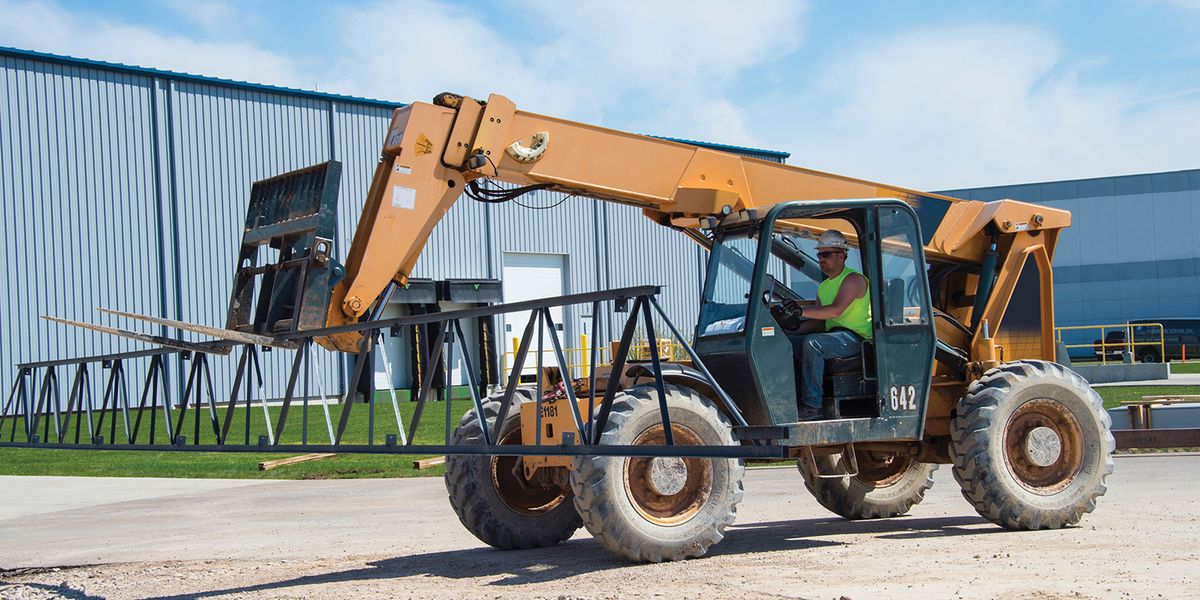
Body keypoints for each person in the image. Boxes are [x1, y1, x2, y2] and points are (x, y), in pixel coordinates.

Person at [774, 230, 872, 421]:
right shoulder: (824, 286)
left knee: (813, 344)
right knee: (783, 344)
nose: (821, 259)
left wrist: (800, 311)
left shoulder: (853, 280)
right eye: (819, 255)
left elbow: (835, 311)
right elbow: (817, 324)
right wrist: (787, 330)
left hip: (856, 339)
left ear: (841, 255)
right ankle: (785, 403)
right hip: (833, 337)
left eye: (826, 255)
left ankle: (812, 406)